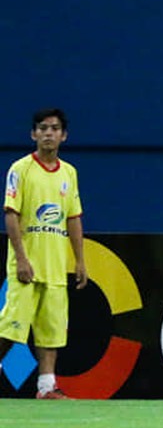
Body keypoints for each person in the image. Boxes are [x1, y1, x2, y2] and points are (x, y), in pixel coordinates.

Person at [0, 108, 87, 399]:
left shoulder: (69, 173)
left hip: (54, 267)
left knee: (51, 331)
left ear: (64, 135)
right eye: (42, 128)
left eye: (54, 128)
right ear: (33, 134)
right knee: (9, 330)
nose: (48, 133)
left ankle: (47, 387)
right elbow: (11, 215)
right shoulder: (20, 169)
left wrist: (80, 260)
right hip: (27, 266)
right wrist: (21, 258)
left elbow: (73, 217)